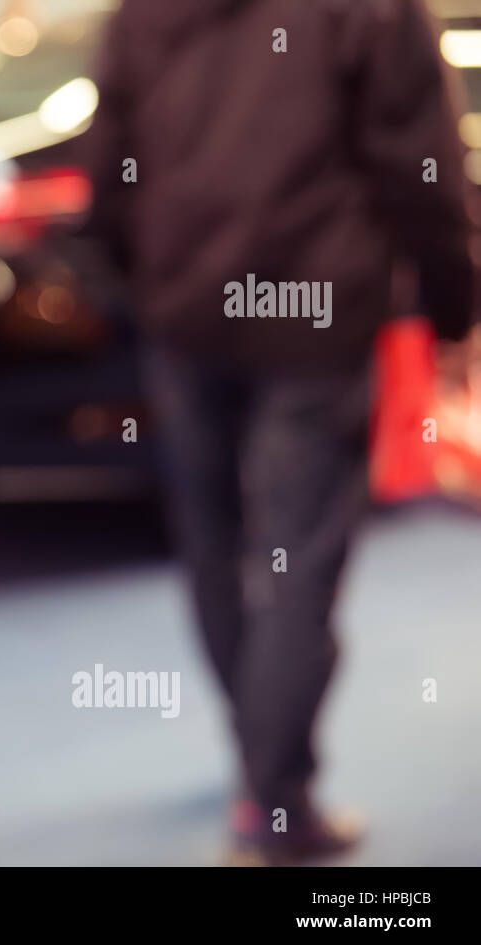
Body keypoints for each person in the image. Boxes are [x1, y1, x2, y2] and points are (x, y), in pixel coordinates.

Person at [83, 0, 476, 864]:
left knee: (216, 546)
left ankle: (261, 771)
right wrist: (457, 301)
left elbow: (110, 161)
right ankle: (276, 795)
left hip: (188, 306)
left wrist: (131, 275)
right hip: (314, 311)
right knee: (299, 557)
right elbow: (420, 165)